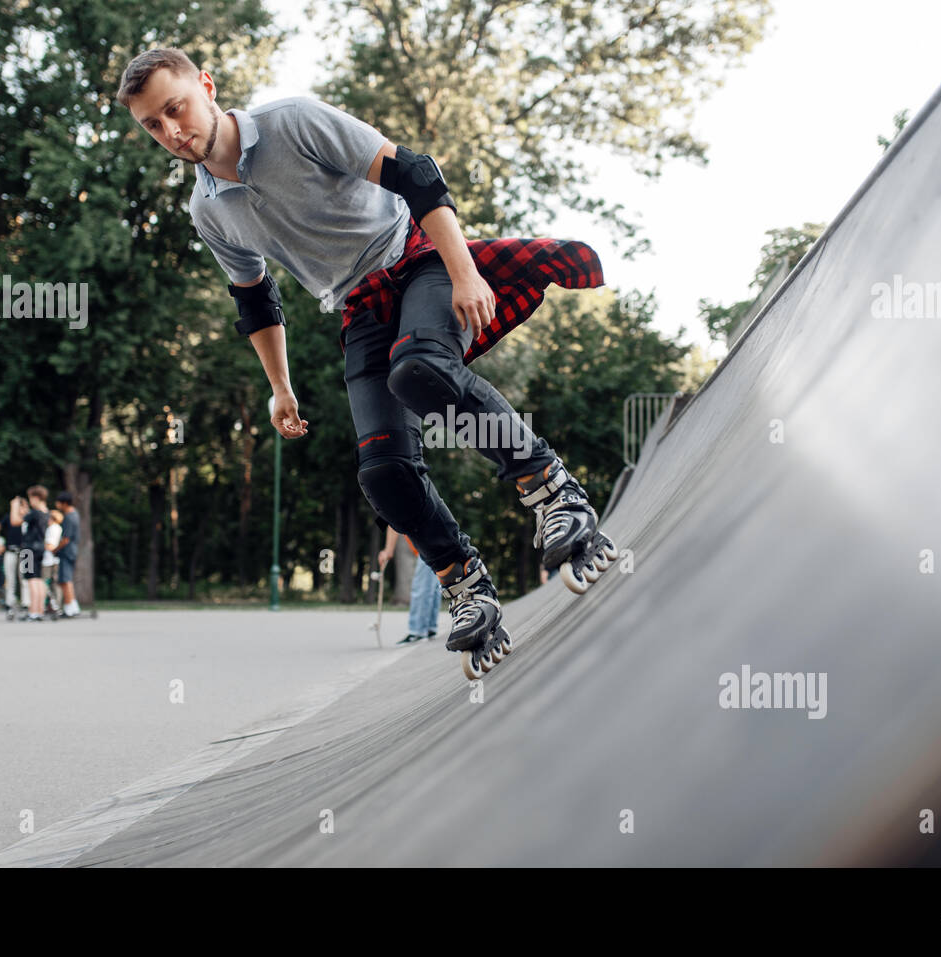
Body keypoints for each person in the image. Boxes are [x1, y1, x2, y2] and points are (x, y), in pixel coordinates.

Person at [118, 49, 611, 662]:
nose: (172, 132)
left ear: (207, 87)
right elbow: (256, 300)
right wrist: (281, 388)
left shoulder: (292, 122)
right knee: (383, 471)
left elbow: (415, 171)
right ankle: (465, 584)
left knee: (421, 371)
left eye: (176, 109)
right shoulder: (208, 210)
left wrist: (464, 272)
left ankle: (550, 489)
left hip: (417, 258)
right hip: (359, 309)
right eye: (153, 126)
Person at [378, 527, 440, 644]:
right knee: (431, 586)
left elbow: (391, 524)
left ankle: (418, 631)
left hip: (428, 541)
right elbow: (386, 523)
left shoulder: (389, 508)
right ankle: (429, 628)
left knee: (421, 585)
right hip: (435, 537)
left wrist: (388, 550)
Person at [0, 497, 27, 620]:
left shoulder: (28, 517)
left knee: (25, 579)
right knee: (10, 579)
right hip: (10, 550)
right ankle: (9, 602)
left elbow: (16, 521)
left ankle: (27, 603)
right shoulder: (8, 517)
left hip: (26, 551)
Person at [19, 486, 51, 622]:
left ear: (36, 498)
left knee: (31, 580)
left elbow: (16, 520)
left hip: (28, 549)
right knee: (39, 580)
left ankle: (33, 612)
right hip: (40, 548)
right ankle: (39, 611)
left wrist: (14, 506)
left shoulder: (35, 513)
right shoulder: (46, 512)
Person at [53, 491, 82, 619]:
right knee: (66, 580)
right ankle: (72, 606)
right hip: (72, 551)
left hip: (67, 551)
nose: (57, 505)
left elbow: (65, 539)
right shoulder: (75, 514)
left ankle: (70, 608)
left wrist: (55, 549)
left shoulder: (69, 517)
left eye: (58, 502)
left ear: (64, 503)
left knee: (65, 580)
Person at [43, 509, 64, 617]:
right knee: (55, 584)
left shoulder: (51, 528)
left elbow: (49, 545)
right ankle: (57, 605)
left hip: (48, 560)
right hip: (56, 560)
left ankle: (52, 604)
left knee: (44, 583)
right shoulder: (59, 528)